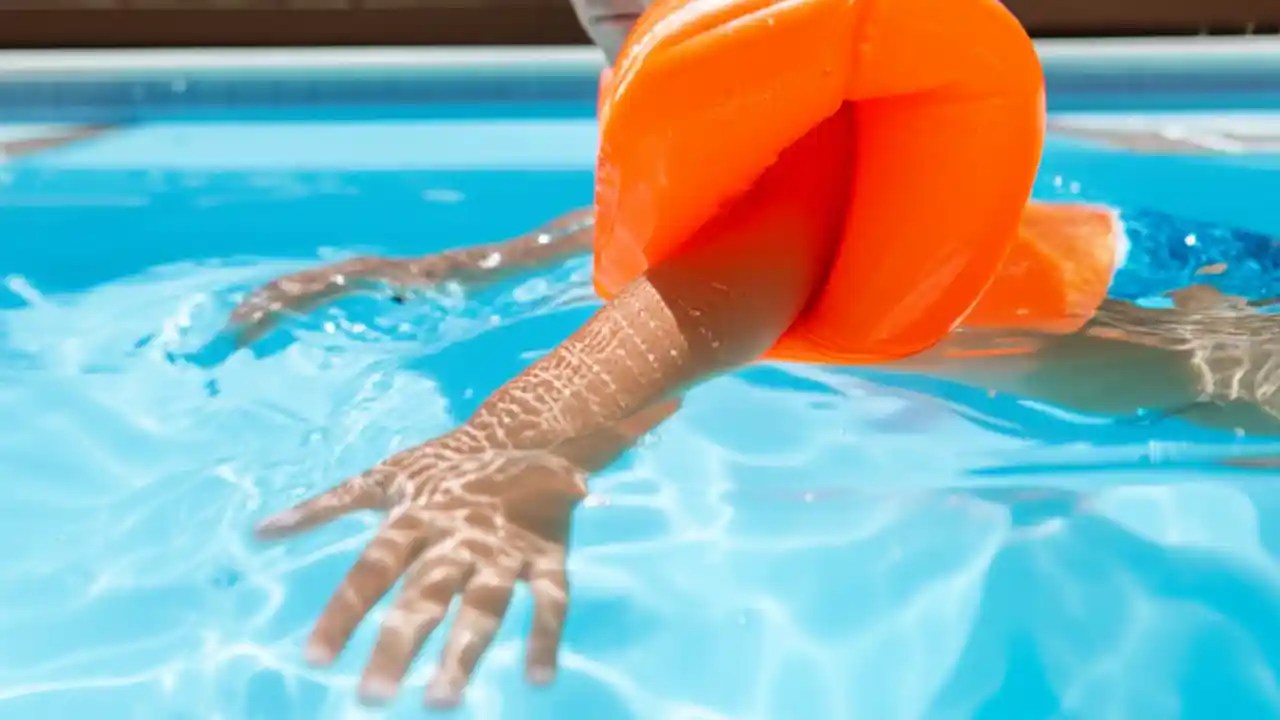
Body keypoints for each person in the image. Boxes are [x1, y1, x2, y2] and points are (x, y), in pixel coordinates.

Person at [234, 0, 1280, 710]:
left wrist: (518, 444)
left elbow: (735, 273)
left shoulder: (790, 36)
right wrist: (462, 268)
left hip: (1170, 308)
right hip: (1089, 263)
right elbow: (690, 215)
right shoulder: (743, 62)